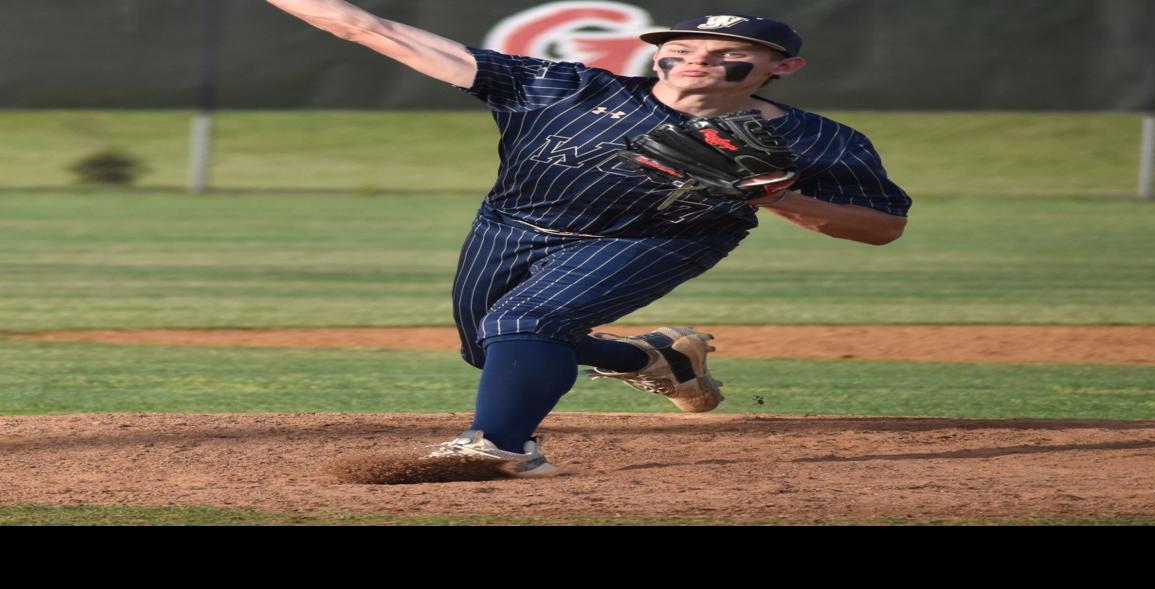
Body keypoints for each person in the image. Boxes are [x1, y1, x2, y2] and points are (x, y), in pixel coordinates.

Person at [265, 2, 912, 477]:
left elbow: (882, 227)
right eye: (682, 47)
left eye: (724, 54)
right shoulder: (562, 88)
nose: (696, 59)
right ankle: (657, 359)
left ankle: (500, 446)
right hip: (510, 225)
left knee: (523, 321)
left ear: (783, 66)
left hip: (662, 237)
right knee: (493, 348)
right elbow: (369, 27)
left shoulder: (817, 139)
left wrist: (773, 197)